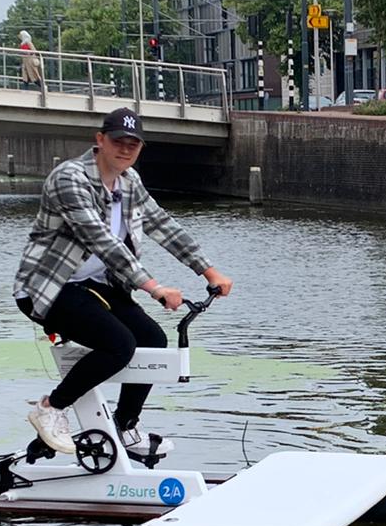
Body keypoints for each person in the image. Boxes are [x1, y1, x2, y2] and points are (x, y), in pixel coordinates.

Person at [13, 106, 232, 457]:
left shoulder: (130, 182)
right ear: (100, 140)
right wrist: (155, 288)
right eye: (118, 141)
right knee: (119, 344)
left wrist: (209, 271)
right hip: (48, 287)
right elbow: (101, 240)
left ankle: (125, 427)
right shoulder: (68, 178)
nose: (126, 149)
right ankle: (50, 409)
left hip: (96, 285)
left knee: (153, 340)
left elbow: (163, 225)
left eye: (134, 144)